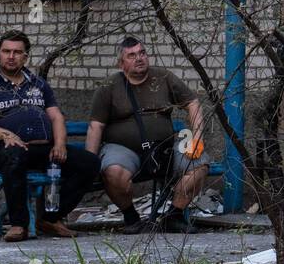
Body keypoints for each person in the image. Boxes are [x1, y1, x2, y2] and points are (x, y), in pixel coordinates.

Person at [0, 30, 101, 242]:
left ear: (25, 57)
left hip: (40, 148)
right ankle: (18, 225)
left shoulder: (38, 84)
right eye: (6, 51)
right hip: (2, 148)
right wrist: (5, 134)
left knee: (90, 163)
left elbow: (56, 117)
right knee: (15, 154)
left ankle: (49, 218)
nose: (11, 56)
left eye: (17, 52)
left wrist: (60, 145)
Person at [86, 36, 209, 234]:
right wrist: (89, 162)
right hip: (124, 150)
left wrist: (197, 138)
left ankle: (174, 216)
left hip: (164, 148)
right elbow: (96, 126)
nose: (139, 58)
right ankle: (131, 218)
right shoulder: (109, 87)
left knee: (198, 165)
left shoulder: (163, 77)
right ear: (121, 63)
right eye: (132, 55)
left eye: (142, 53)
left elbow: (193, 103)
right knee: (113, 171)